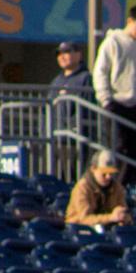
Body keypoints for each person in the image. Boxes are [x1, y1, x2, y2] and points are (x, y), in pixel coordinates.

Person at [91, 4, 136, 185]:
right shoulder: (113, 42)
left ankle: (130, 188)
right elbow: (100, 72)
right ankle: (114, 187)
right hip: (115, 104)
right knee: (118, 149)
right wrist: (106, 100)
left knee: (134, 151)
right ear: (130, 21)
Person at [48, 41, 94, 180]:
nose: (62, 56)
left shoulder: (85, 78)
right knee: (56, 179)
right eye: (59, 53)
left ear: (78, 54)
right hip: (56, 138)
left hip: (75, 140)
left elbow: (89, 108)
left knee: (73, 178)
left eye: (67, 52)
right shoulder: (56, 81)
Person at [64, 149, 131, 227]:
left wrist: (123, 217)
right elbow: (84, 219)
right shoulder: (82, 188)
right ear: (93, 169)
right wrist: (111, 218)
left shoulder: (117, 188)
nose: (108, 177)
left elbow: (125, 212)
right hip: (80, 231)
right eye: (104, 173)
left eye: (111, 173)